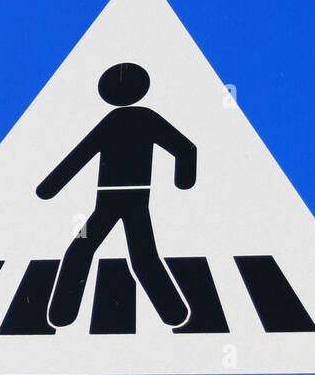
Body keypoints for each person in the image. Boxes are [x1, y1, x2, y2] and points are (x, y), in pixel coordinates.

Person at [36, 63, 196, 329]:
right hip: (127, 201)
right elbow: (186, 149)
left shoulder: (120, 120)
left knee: (81, 248)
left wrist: (50, 188)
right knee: (141, 256)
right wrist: (183, 181)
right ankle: (174, 313)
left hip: (112, 202)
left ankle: (63, 313)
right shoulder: (145, 118)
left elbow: (79, 156)